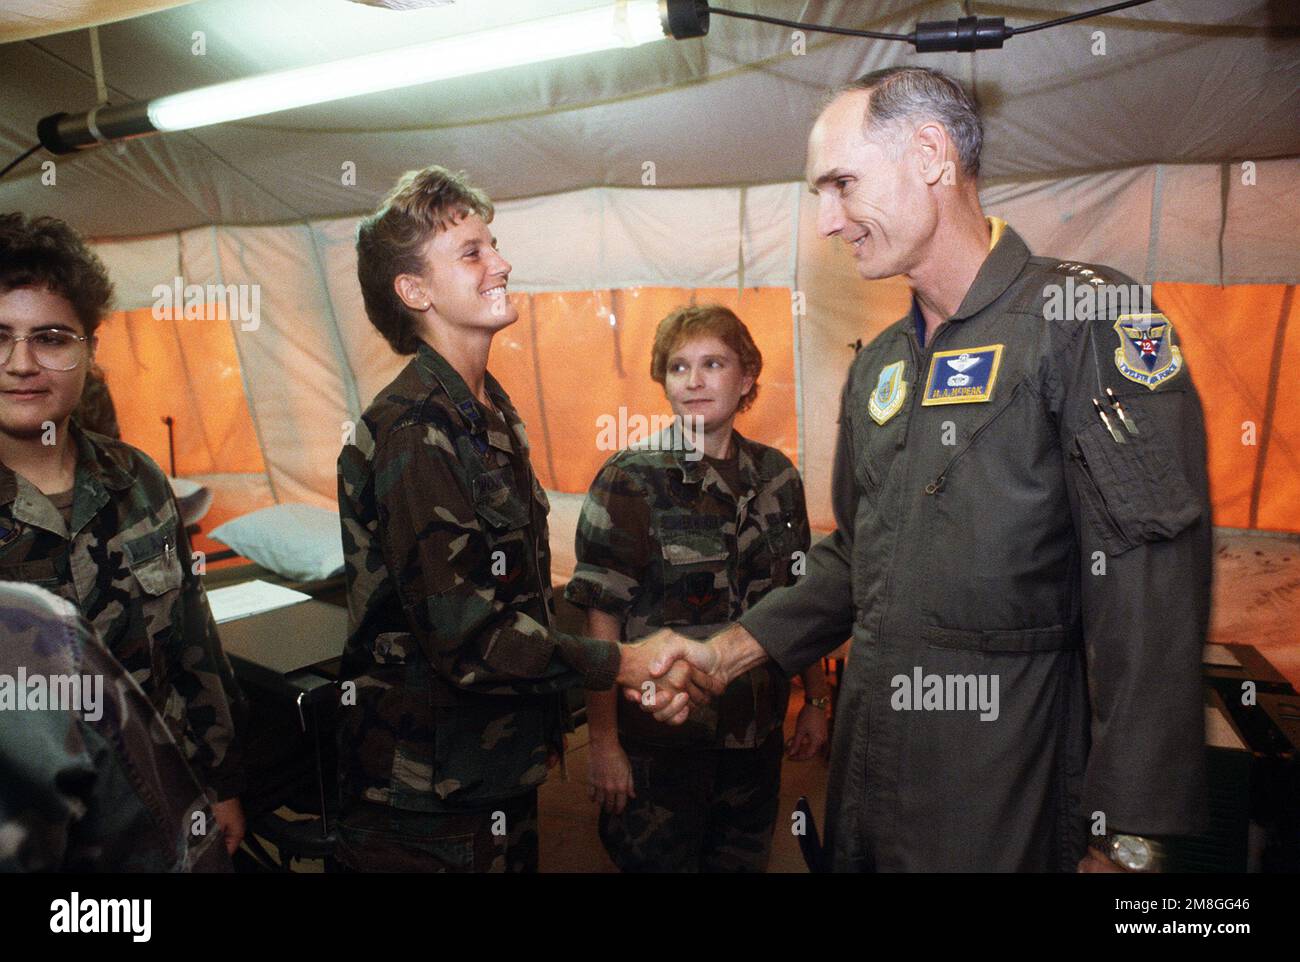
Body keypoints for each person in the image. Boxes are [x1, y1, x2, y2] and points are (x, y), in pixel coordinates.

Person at [632, 66, 1212, 873]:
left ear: (932, 154)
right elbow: (858, 555)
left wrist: (1130, 838)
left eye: (841, 184)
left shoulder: (1084, 323)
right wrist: (728, 652)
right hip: (872, 770)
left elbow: (1152, 591)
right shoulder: (882, 368)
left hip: (1005, 777)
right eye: (818, 194)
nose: (828, 220)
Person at [336, 165, 719, 873]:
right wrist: (623, 662)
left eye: (494, 245)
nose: (502, 263)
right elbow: (468, 637)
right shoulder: (415, 430)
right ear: (414, 291)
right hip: (426, 792)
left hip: (493, 764)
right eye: (473, 252)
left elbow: (519, 594)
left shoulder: (488, 413)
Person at [0, 213, 247, 856]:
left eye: (51, 338)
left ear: (90, 347)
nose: (21, 363)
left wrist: (220, 784)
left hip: (158, 813)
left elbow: (195, 645)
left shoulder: (136, 479)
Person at [567, 304, 831, 872]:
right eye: (679, 367)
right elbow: (601, 622)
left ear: (747, 378)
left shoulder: (778, 477)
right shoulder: (630, 478)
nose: (694, 380)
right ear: (663, 382)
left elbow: (804, 599)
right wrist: (605, 743)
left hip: (755, 745)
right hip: (660, 750)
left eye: (713, 363)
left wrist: (815, 700)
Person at [0, 582, 231, 872]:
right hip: (64, 812)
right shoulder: (26, 613)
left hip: (173, 776)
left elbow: (196, 639)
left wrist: (223, 783)